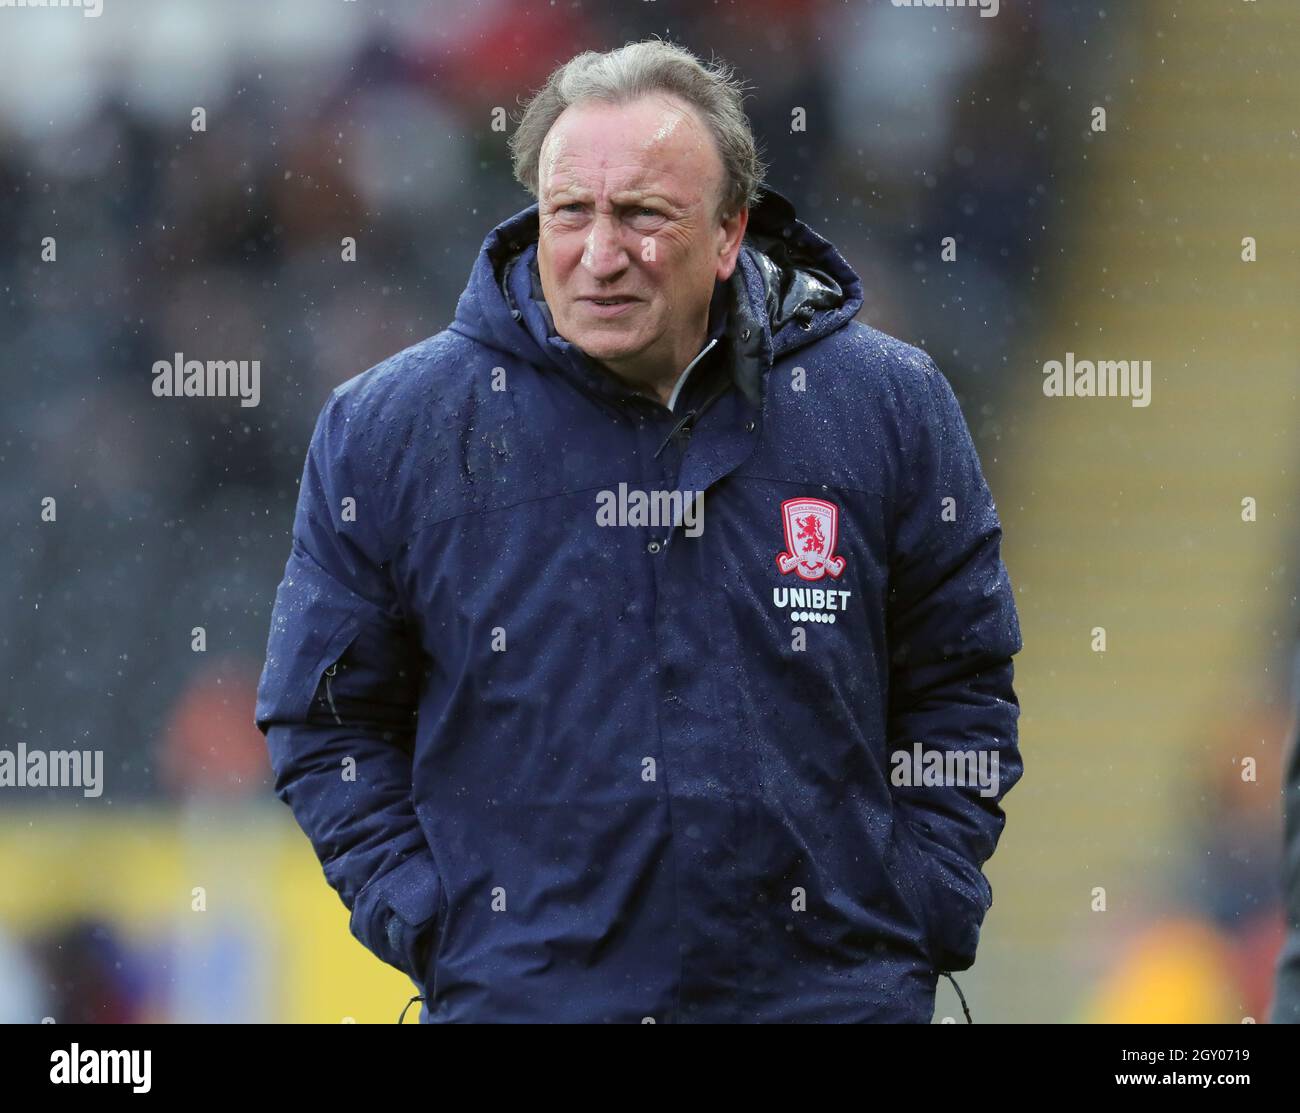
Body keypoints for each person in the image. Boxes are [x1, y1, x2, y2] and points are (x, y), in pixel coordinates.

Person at [255, 38, 1023, 1023]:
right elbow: (326, 722)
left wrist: (920, 905)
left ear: (730, 232)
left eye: (645, 215)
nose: (601, 253)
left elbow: (960, 688)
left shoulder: (886, 406)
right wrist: (439, 926)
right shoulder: (392, 429)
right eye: (569, 212)